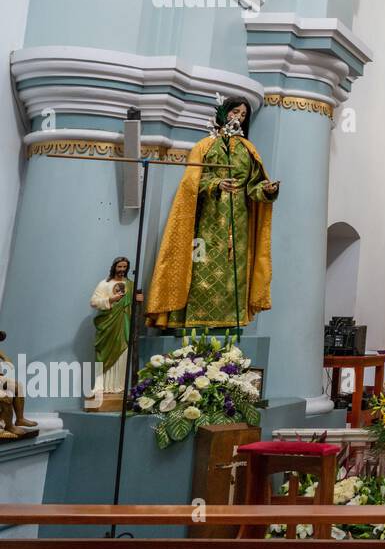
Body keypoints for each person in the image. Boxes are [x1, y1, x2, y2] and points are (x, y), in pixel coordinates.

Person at [147, 96, 280, 330]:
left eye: (243, 115)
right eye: (235, 112)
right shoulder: (204, 146)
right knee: (201, 267)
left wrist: (266, 189)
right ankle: (193, 322)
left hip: (238, 226)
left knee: (233, 275)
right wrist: (216, 184)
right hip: (207, 223)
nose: (238, 117)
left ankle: (229, 323)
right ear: (224, 112)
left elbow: (253, 185)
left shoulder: (248, 150)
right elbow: (191, 183)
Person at [89, 256, 133, 400]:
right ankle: (100, 387)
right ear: (114, 267)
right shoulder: (104, 284)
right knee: (104, 355)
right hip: (108, 324)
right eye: (119, 267)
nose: (121, 270)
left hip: (124, 324)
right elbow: (94, 302)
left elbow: (133, 306)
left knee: (123, 354)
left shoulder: (130, 285)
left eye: (124, 267)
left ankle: (118, 387)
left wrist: (138, 300)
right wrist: (110, 300)